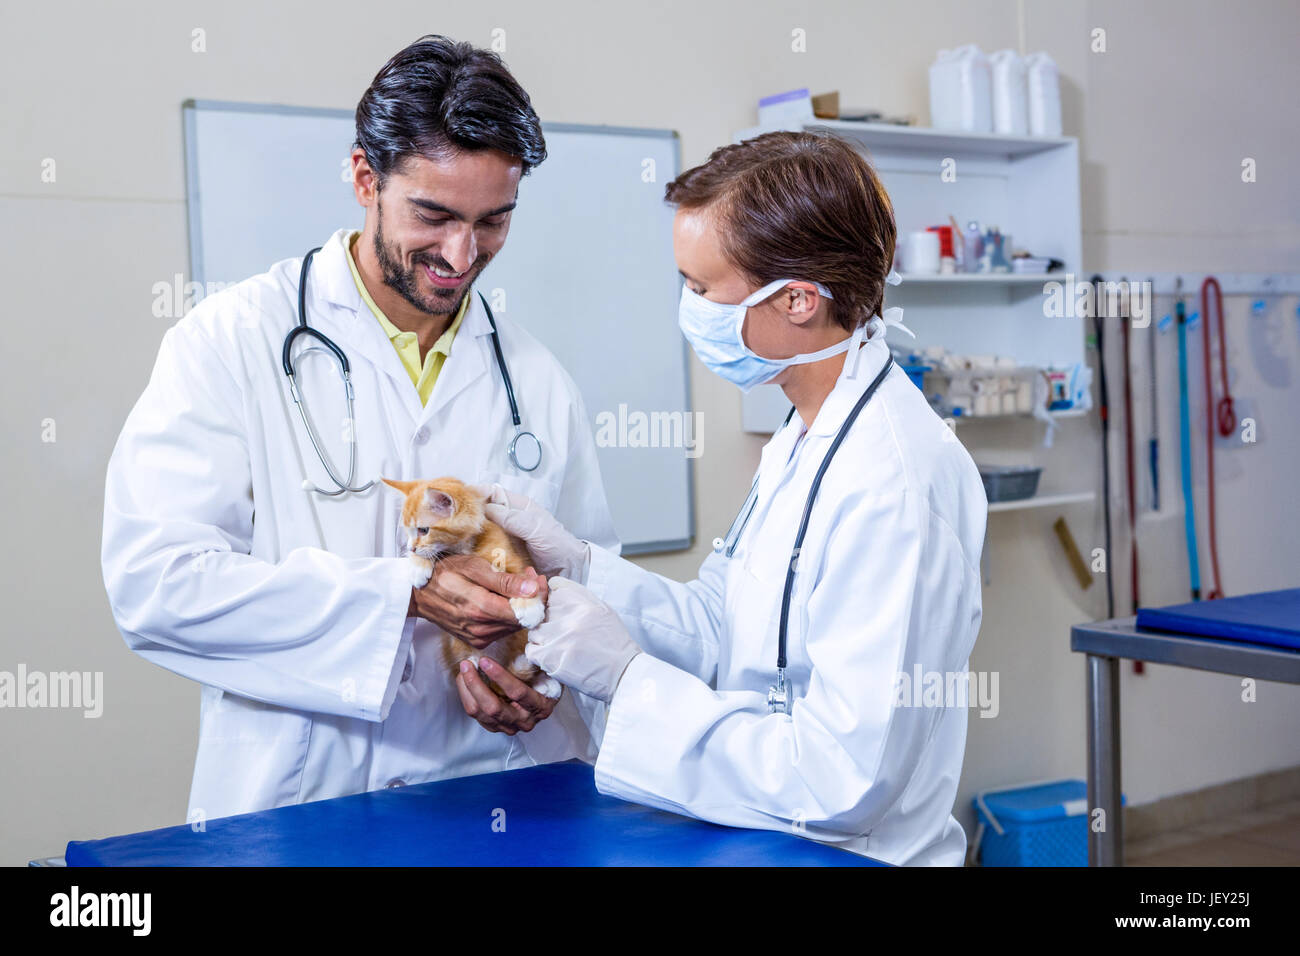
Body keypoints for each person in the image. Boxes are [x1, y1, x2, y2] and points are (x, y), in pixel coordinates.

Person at [101, 35, 617, 823]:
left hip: (486, 800)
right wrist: (403, 596)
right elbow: (157, 587)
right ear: (363, 178)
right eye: (434, 215)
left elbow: (588, 590)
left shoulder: (536, 381)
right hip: (299, 803)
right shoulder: (232, 341)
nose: (461, 253)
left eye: (493, 222)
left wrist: (542, 686)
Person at [487, 131, 988, 866]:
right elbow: (729, 627)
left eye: (699, 288)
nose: (688, 310)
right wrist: (585, 570)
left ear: (795, 300)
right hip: (759, 838)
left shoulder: (895, 485)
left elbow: (843, 779)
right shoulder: (803, 434)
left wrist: (628, 679)